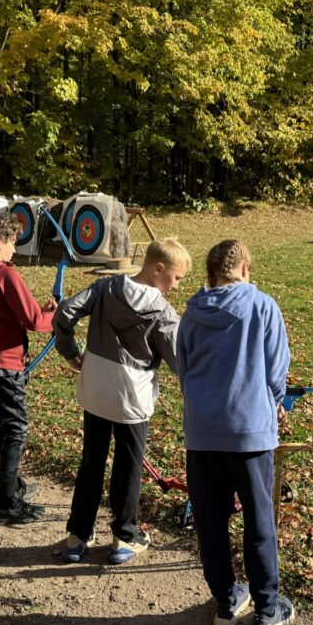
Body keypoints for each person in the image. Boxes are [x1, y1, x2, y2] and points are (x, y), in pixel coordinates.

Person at [177, 239, 293, 625]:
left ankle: (226, 601)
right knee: (259, 520)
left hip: (203, 432)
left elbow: (184, 369)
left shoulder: (190, 314)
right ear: (244, 268)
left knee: (211, 519)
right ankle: (266, 609)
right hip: (250, 433)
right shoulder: (263, 306)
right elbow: (277, 370)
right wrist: (274, 403)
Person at [53, 239, 190, 564]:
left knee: (92, 462)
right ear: (159, 269)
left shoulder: (105, 287)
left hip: (96, 389)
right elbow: (181, 360)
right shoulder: (162, 312)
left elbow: (65, 311)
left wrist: (70, 350)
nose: (177, 285)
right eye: (177, 277)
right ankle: (124, 536)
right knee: (128, 468)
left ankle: (77, 536)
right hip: (133, 398)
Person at [0, 210, 57, 522]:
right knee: (15, 428)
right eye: (13, 242)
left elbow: (13, 313)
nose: (15, 249)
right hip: (4, 364)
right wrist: (56, 316)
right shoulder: (5, 274)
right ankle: (6, 501)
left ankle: (11, 487)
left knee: (8, 425)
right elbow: (34, 322)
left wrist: (42, 311)